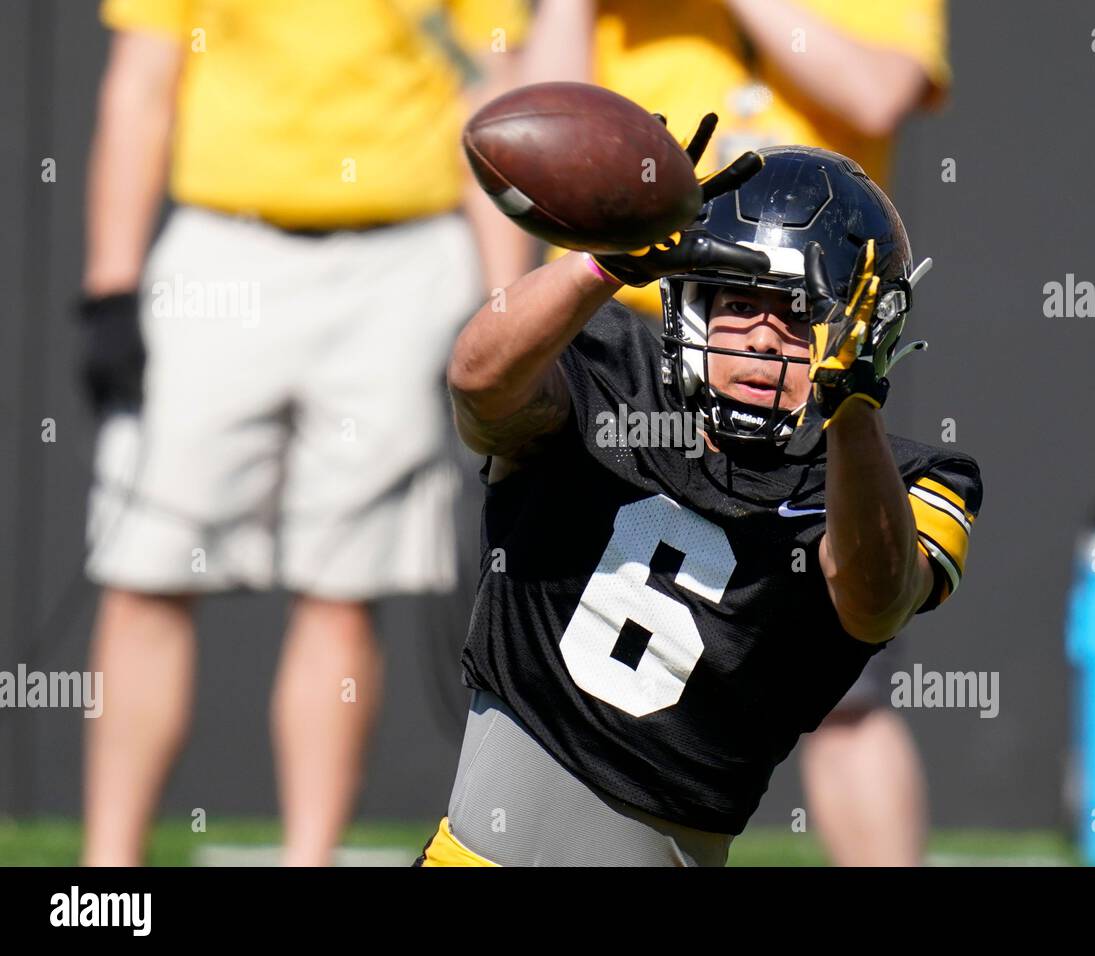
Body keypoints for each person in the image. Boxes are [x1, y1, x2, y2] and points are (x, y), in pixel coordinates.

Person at [415, 132, 980, 866]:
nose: (763, 338)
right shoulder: (609, 368)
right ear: (689, 303)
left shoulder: (911, 479)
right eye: (740, 302)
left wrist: (854, 412)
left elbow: (874, 601)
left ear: (860, 330)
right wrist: (599, 261)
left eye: (798, 313)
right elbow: (478, 384)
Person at [79, 0, 527, 866]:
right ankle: (107, 875)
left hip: (402, 260)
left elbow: (491, 97)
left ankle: (309, 861)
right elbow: (141, 80)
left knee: (342, 588)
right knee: (148, 571)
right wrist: (111, 285)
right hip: (225, 248)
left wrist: (504, 311)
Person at [523, 0, 953, 865]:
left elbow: (877, 94)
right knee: (549, 661)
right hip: (623, 353)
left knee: (846, 682)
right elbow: (537, 130)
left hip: (795, 364)